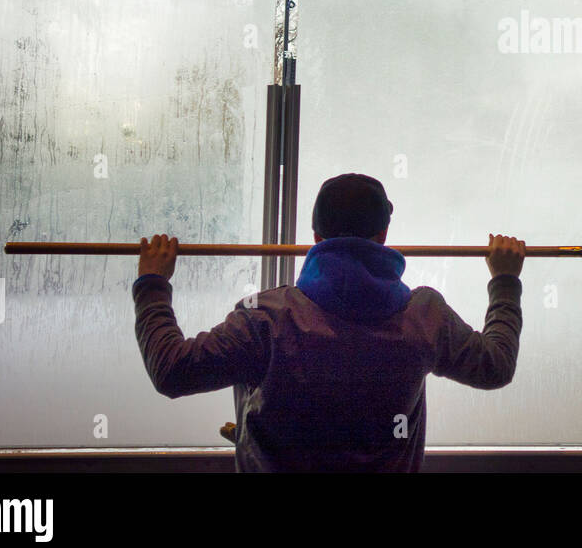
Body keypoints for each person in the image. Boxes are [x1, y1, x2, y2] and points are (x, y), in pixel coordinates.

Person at [131, 172, 525, 471]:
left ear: (316, 236)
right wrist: (505, 281)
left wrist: (152, 283)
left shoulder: (266, 318)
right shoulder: (424, 317)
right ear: (384, 234)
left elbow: (172, 371)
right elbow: (495, 365)